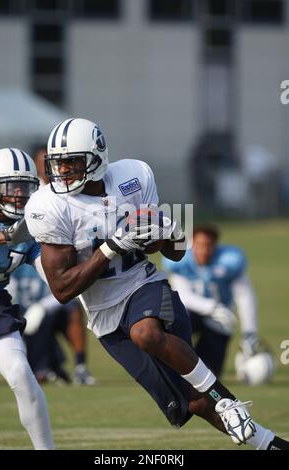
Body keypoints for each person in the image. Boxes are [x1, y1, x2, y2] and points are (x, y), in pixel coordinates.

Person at [24, 118, 288, 450]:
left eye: (72, 162)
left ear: (96, 157)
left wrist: (167, 231)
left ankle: (227, 398)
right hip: (104, 318)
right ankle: (272, 444)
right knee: (195, 403)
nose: (62, 171)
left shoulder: (131, 177)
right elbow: (62, 290)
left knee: (146, 333)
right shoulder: (48, 205)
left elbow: (176, 252)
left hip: (143, 284)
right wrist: (113, 246)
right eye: (58, 163)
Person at [0, 147, 54, 449]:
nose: (17, 195)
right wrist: (0, 237)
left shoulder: (29, 226)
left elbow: (53, 276)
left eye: (24, 187)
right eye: (9, 186)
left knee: (19, 371)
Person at [162, 224, 260, 378]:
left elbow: (244, 296)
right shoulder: (181, 260)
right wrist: (213, 307)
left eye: (208, 246)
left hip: (219, 317)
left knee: (210, 375)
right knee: (173, 323)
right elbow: (183, 296)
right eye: (200, 245)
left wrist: (250, 332)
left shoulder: (230, 261)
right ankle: (169, 369)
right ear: (192, 244)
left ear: (215, 246)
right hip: (190, 312)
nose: (204, 250)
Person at [8, 262, 96, 385]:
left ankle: (80, 367)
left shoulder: (48, 255)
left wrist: (42, 307)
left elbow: (67, 290)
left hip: (50, 310)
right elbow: (7, 291)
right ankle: (48, 368)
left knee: (72, 308)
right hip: (21, 315)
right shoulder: (13, 258)